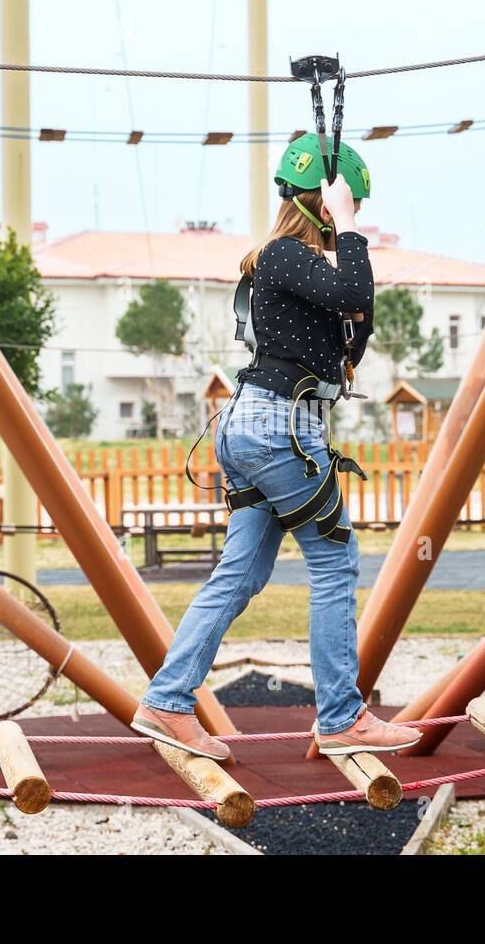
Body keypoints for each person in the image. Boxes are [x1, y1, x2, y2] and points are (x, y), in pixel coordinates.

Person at [131, 134, 422, 760]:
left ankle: (167, 700)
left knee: (242, 571)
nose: (357, 216)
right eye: (350, 205)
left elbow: (350, 328)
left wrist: (354, 300)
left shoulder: (296, 268)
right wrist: (346, 226)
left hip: (260, 426)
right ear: (322, 202)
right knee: (335, 562)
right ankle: (342, 716)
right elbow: (355, 295)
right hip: (277, 426)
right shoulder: (285, 254)